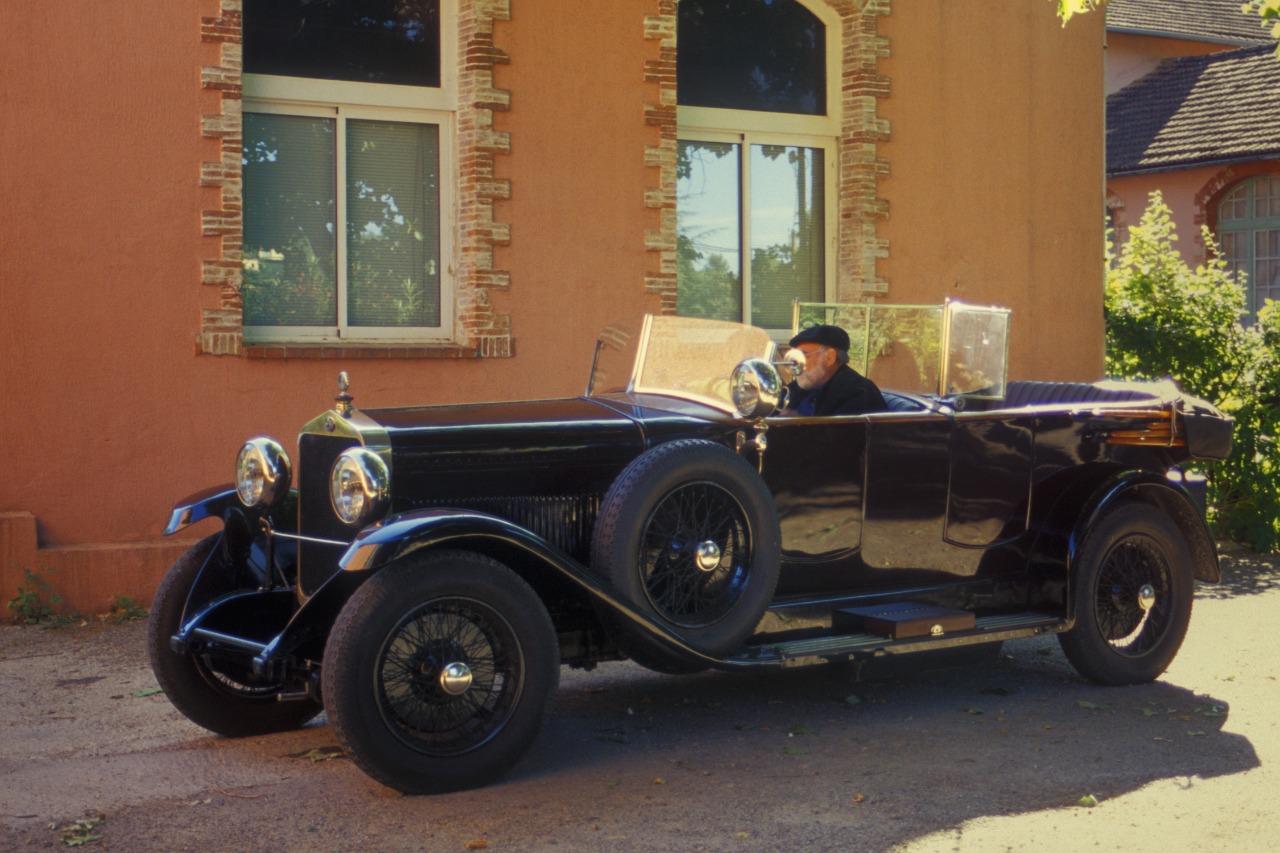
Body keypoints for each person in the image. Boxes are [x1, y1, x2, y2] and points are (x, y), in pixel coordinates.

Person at [783, 324, 887, 416]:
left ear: (830, 357)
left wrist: (794, 422)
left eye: (802, 356)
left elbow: (840, 431)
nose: (795, 364)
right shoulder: (798, 388)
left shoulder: (858, 393)